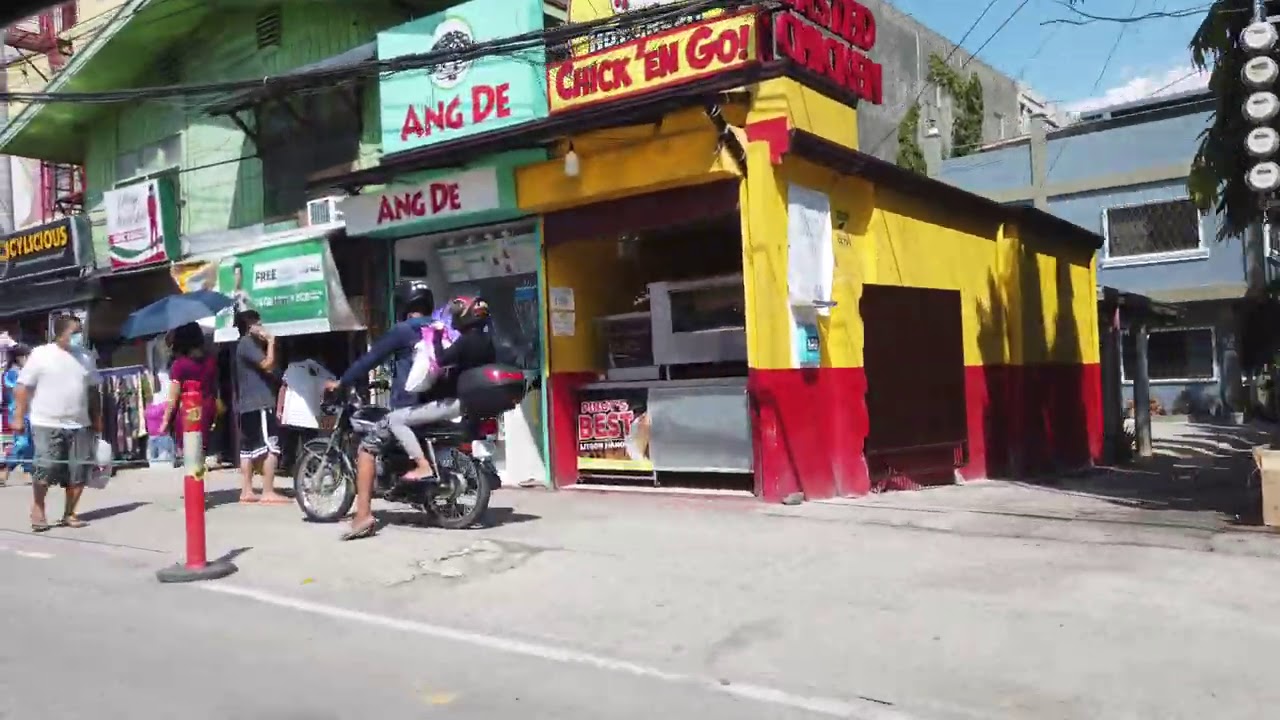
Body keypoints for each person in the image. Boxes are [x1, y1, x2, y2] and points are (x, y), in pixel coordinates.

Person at [324, 283, 493, 540]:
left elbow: (369, 360)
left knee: (367, 448)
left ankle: (363, 516)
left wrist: (342, 381)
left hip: (411, 407)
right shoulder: (443, 329)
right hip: (440, 404)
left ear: (403, 305)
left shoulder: (403, 331)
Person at [11, 315, 101, 531]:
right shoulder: (41, 355)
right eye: (74, 332)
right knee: (46, 466)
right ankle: (38, 508)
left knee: (79, 469)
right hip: (46, 422)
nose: (79, 336)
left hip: (80, 423)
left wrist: (97, 420)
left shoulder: (86, 357)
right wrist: (18, 417)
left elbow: (93, 390)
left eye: (80, 331)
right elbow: (23, 387)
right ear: (60, 333)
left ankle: (69, 513)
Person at [233, 310, 288, 505]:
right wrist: (272, 341)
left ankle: (247, 490)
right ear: (249, 324)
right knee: (271, 446)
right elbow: (267, 364)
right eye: (257, 321)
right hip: (260, 403)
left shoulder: (246, 345)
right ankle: (267, 491)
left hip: (248, 405)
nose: (261, 324)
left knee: (248, 449)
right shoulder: (247, 343)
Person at [159, 323, 217, 462]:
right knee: (201, 452)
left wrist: (165, 421)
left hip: (188, 413)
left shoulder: (179, 365)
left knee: (190, 457)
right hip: (208, 408)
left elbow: (173, 397)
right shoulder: (211, 361)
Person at [2, 344, 33, 486]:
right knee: (21, 443)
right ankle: (5, 467)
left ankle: (28, 471)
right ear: (19, 357)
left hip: (31, 412)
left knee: (31, 444)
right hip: (18, 412)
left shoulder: (28, 371)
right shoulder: (11, 373)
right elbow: (17, 389)